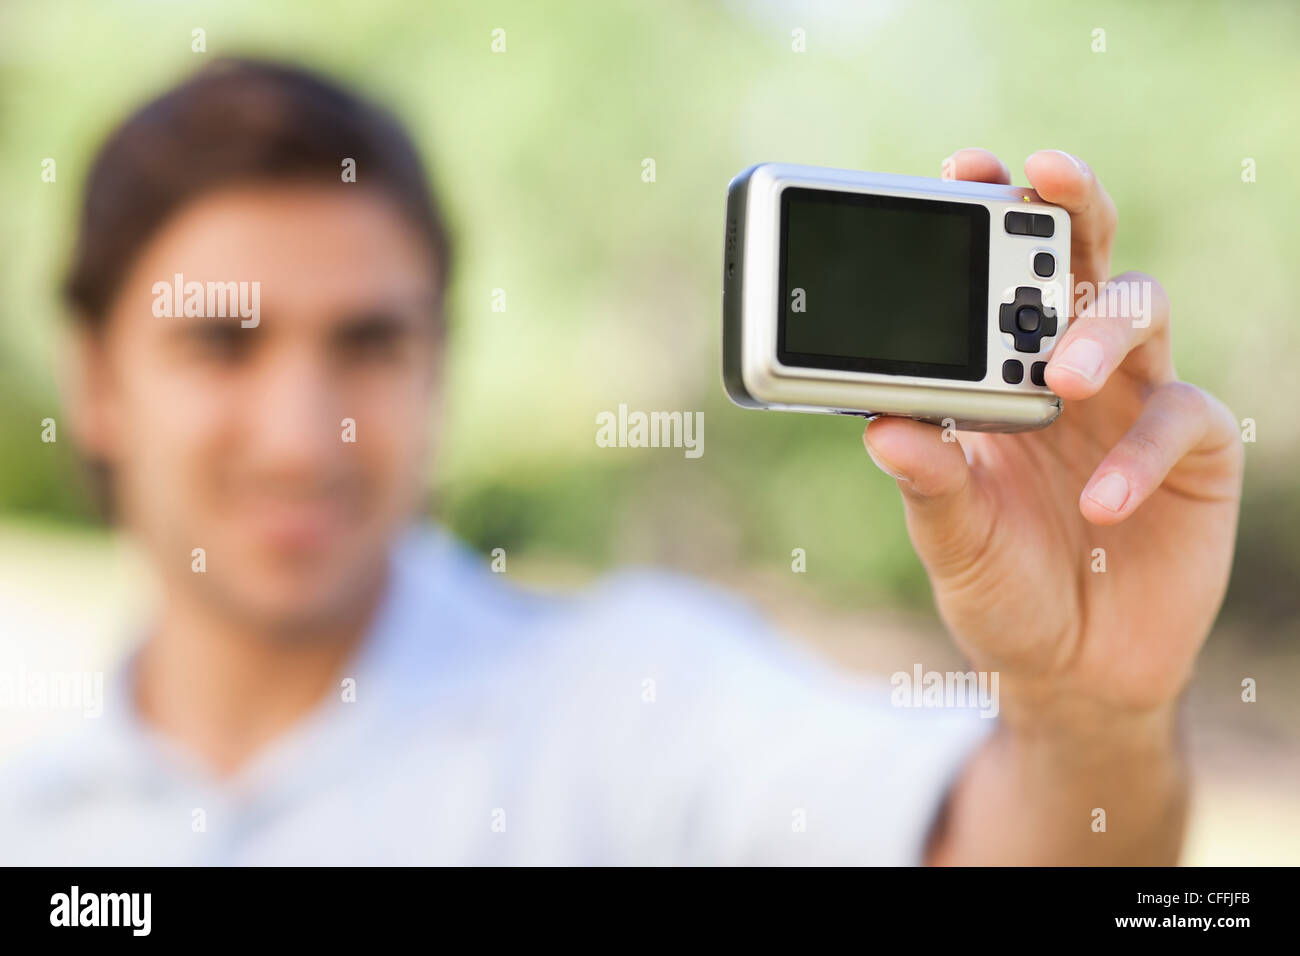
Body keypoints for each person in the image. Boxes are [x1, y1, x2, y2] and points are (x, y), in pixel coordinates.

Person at [0, 59, 1243, 865]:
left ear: (438, 366)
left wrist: (1087, 714)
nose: (300, 428)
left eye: (369, 341)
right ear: (97, 382)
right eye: (223, 343)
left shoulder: (639, 700)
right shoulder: (33, 815)